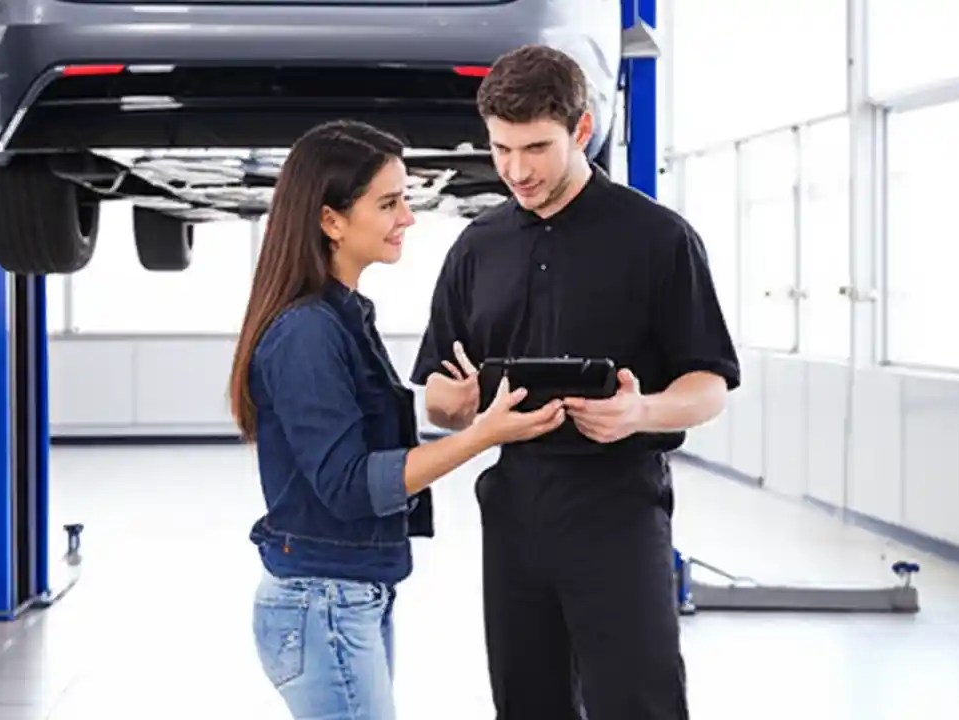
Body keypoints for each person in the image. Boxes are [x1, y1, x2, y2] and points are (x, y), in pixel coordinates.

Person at [409, 45, 742, 720]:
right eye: (501, 149)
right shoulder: (478, 246)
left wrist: (640, 410)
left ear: (582, 130)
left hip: (617, 508)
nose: (516, 170)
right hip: (512, 511)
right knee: (527, 703)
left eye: (536, 147)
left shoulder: (658, 238)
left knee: (637, 701)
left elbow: (710, 382)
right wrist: (466, 405)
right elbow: (438, 397)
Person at [227, 119, 567, 720]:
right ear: (331, 220)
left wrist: (467, 415)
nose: (407, 217)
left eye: (404, 199)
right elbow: (351, 485)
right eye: (388, 203)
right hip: (323, 602)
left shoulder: (344, 317)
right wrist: (484, 435)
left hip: (346, 595)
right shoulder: (308, 332)